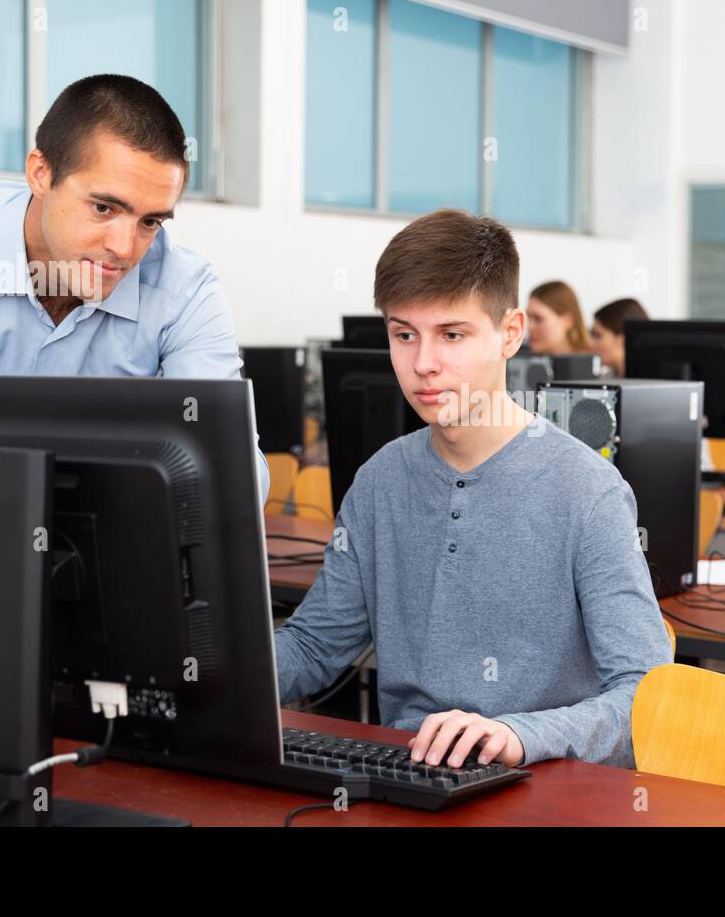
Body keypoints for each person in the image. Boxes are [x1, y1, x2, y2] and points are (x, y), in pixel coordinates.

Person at [0, 74, 267, 646]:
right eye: (104, 207)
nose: (125, 248)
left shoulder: (186, 288)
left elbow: (231, 476)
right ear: (40, 173)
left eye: (151, 220)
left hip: (119, 580)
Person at [273, 210, 672, 769]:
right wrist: (205, 666)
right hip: (412, 777)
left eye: (452, 335)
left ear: (510, 334)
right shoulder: (381, 480)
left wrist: (518, 735)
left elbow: (646, 698)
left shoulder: (588, 490)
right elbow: (315, 647)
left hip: (541, 787)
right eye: (403, 335)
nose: (423, 364)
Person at [590, 297, 649, 377]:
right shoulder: (605, 380)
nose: (590, 344)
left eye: (597, 335)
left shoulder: (656, 384)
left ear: (624, 338)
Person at [526, 280, 588, 355]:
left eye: (538, 319)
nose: (529, 327)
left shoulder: (593, 365)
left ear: (568, 320)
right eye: (529, 318)